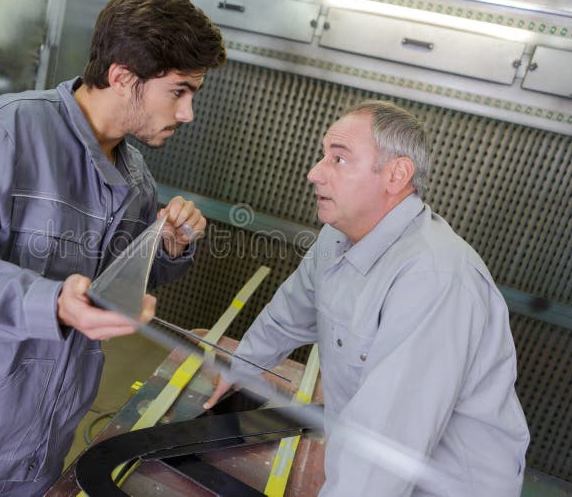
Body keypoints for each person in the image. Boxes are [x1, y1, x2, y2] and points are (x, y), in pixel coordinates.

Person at [0, 0, 225, 495]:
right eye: (179, 91)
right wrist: (51, 303)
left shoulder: (134, 178)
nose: (187, 113)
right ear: (122, 78)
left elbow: (116, 286)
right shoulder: (8, 131)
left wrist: (170, 247)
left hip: (45, 440)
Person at [204, 100, 529, 496]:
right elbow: (289, 314)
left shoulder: (434, 278)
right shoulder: (336, 237)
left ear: (396, 175)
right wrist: (241, 367)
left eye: (339, 159)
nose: (314, 173)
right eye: (324, 155)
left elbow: (386, 448)